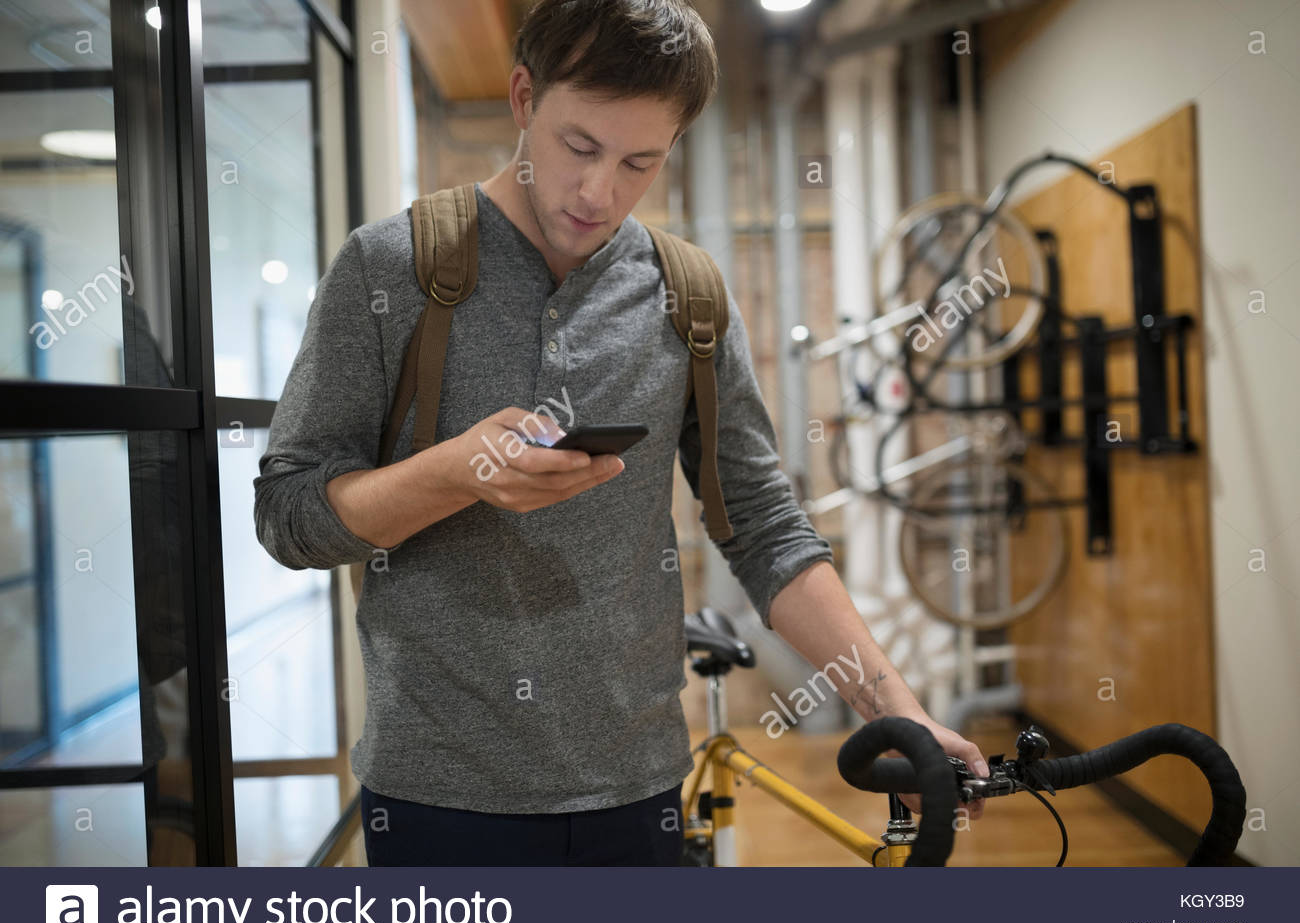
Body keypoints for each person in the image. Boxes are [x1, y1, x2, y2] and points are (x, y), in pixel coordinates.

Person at [253, 0, 987, 866]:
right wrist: (456, 473)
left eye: (642, 160)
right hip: (435, 796)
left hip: (637, 786)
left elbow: (762, 525)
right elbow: (288, 515)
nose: (600, 192)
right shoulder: (391, 269)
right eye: (580, 147)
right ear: (524, 97)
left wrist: (895, 709)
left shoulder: (688, 294)